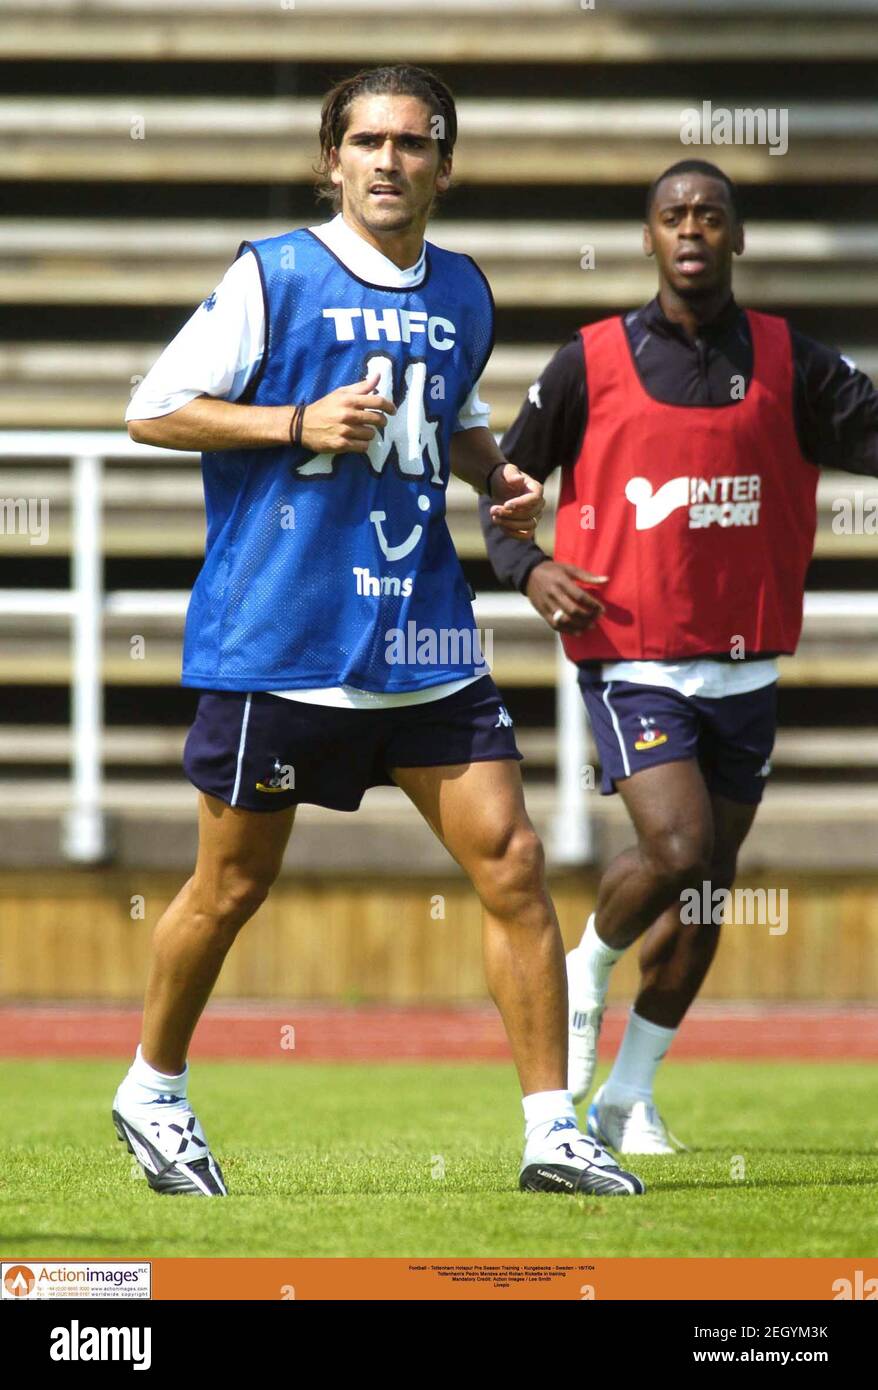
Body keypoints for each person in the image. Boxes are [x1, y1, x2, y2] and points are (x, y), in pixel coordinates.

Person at [116, 63, 645, 1199]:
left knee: (510, 860)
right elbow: (151, 407)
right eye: (367, 141)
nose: (388, 161)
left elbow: (447, 416)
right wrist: (293, 420)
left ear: (444, 166)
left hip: (423, 639)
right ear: (331, 159)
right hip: (283, 636)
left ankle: (552, 1129)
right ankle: (151, 1088)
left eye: (412, 143)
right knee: (231, 887)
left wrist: (492, 471)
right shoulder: (272, 275)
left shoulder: (462, 291)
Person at [480, 159, 878, 1154]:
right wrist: (529, 568)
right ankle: (587, 964)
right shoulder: (587, 361)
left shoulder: (794, 362)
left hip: (744, 666)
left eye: (709, 215)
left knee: (706, 885)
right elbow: (503, 495)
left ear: (736, 239)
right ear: (647, 238)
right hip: (631, 654)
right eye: (672, 216)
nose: (691, 229)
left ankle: (626, 1095)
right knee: (678, 849)